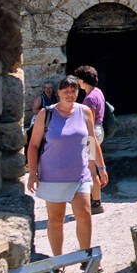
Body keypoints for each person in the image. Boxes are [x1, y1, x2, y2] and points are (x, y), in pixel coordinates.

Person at [26, 75, 108, 260]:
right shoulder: (45, 114)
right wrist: (32, 173)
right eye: (66, 91)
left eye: (74, 91)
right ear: (59, 93)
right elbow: (33, 145)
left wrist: (100, 168)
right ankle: (58, 260)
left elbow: (91, 141)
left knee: (85, 214)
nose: (70, 95)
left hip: (79, 174)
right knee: (56, 219)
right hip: (52, 176)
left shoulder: (84, 111)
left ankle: (85, 257)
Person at [73, 65, 108, 214]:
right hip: (98, 130)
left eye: (78, 79)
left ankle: (96, 203)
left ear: (83, 80)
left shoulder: (89, 99)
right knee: (90, 168)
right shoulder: (97, 92)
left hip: (91, 134)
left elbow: (89, 122)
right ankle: (95, 200)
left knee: (91, 170)